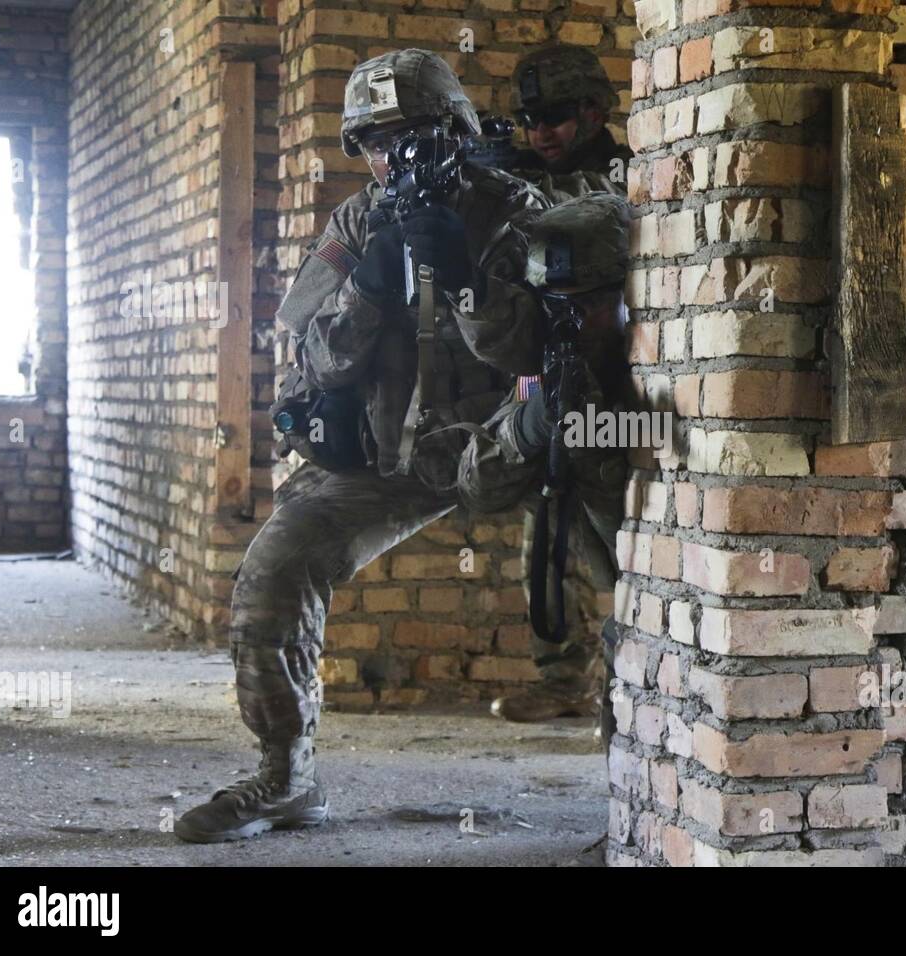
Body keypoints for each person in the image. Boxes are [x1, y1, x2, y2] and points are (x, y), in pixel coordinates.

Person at [174, 49, 546, 843]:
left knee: (610, 548)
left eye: (409, 138)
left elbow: (534, 356)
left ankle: (656, 779)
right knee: (271, 576)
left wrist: (465, 275)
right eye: (373, 144)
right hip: (392, 459)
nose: (390, 160)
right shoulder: (359, 220)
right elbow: (307, 356)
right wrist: (371, 292)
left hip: (504, 446)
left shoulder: (513, 210)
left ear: (454, 132)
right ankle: (286, 782)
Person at [456, 193, 633, 739]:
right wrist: (530, 424)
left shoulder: (657, 363)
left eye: (587, 304)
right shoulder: (551, 355)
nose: (570, 320)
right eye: (554, 302)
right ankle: (570, 681)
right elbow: (478, 487)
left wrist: (598, 433)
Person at [508, 44, 633, 203]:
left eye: (555, 117)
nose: (542, 134)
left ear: (593, 114)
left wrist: (513, 190)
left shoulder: (625, 169)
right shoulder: (524, 168)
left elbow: (602, 193)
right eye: (530, 120)